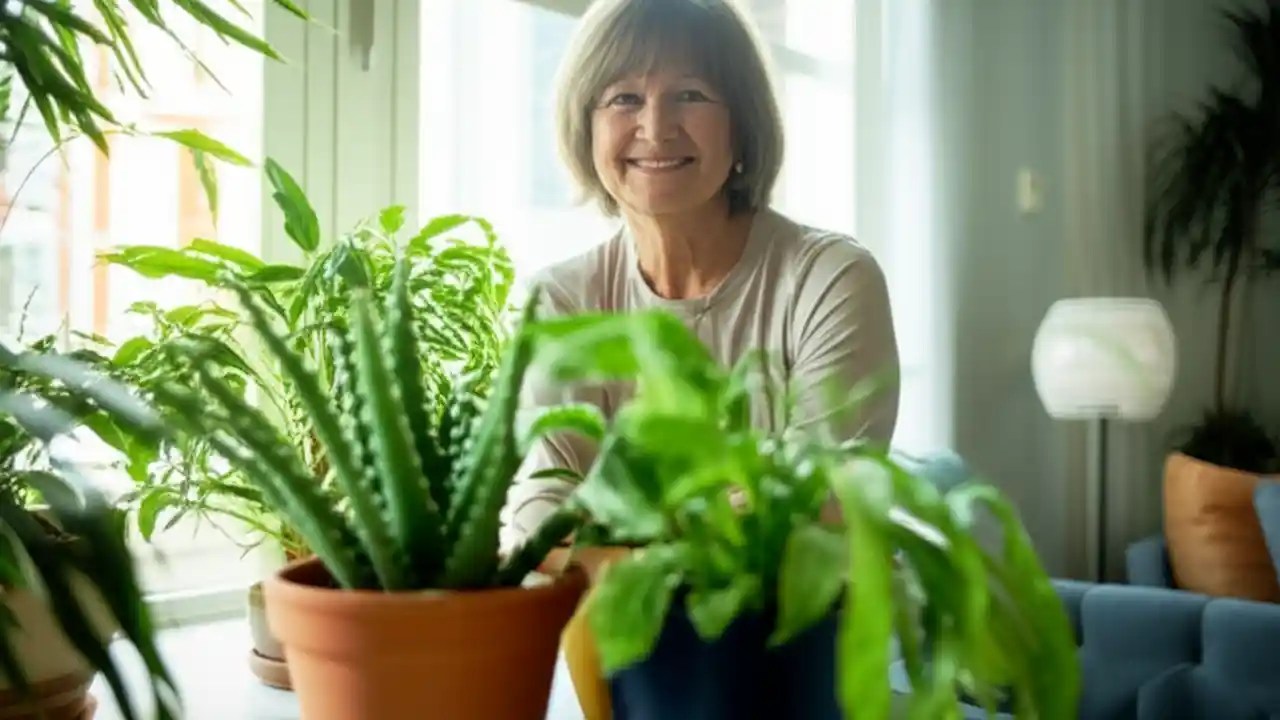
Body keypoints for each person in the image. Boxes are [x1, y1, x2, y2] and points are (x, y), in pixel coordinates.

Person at [500, 0, 899, 551]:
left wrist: (617, 538)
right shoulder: (561, 300)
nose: (656, 128)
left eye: (690, 95)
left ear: (741, 124)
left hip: (806, 630)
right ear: (586, 128)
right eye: (625, 99)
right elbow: (537, 519)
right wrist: (726, 512)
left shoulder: (829, 280)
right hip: (613, 634)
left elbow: (817, 507)